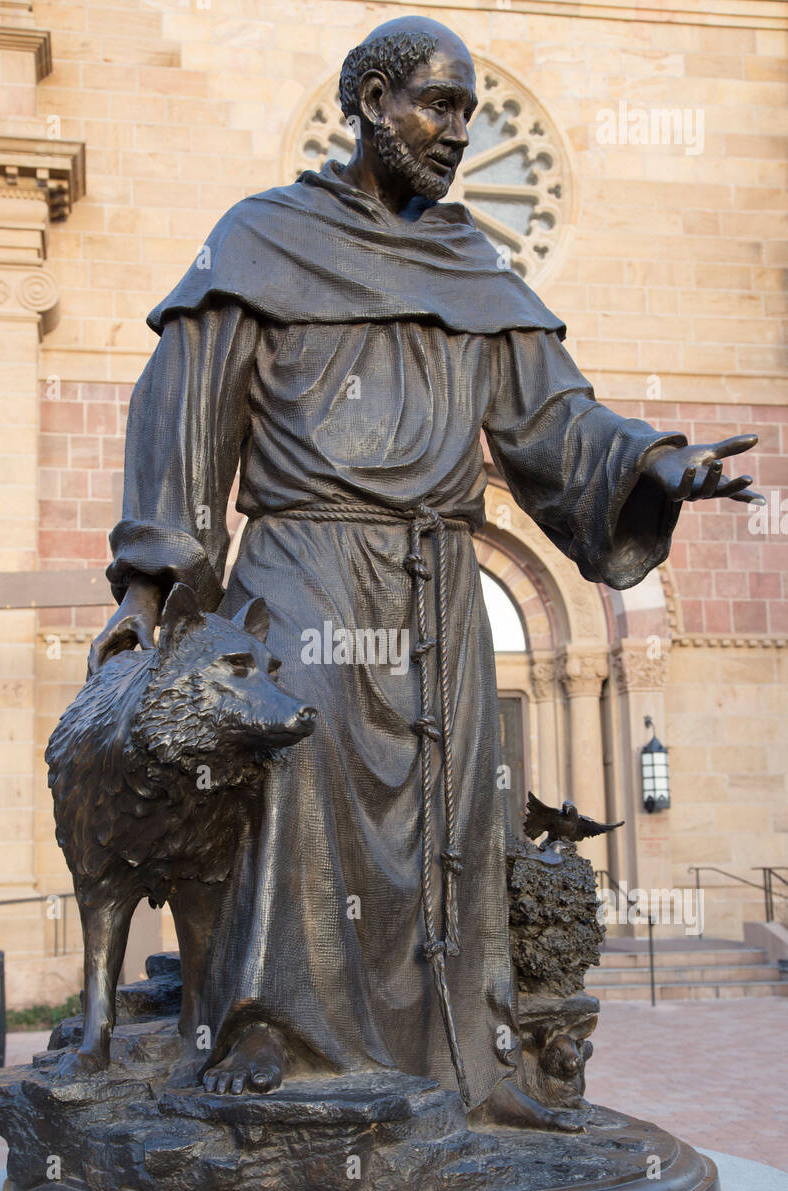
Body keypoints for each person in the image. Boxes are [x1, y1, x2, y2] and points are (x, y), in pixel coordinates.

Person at [88, 17, 761, 1128]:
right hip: (305, 573)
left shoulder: (468, 264)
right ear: (367, 102)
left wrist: (655, 461)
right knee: (296, 794)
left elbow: (553, 417)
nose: (455, 132)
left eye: (468, 113)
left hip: (439, 591)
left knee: (456, 823)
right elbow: (185, 400)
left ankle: (462, 1069)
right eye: (435, 106)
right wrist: (149, 583)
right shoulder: (261, 239)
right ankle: (283, 1055)